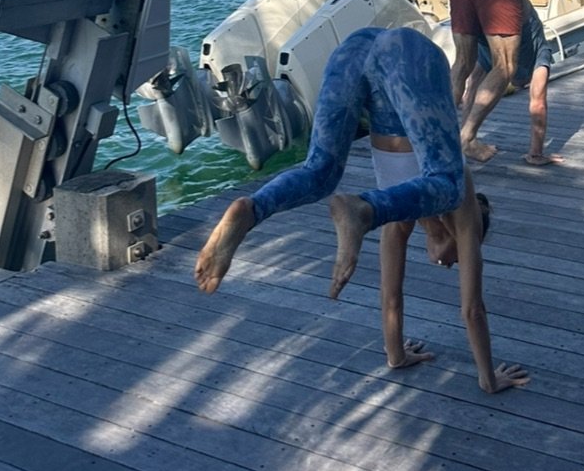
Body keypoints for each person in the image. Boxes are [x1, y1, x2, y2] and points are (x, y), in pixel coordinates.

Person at [194, 25, 528, 394]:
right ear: (472, 234)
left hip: (355, 48)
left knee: (320, 172)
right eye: (457, 261)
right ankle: (356, 210)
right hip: (408, 52)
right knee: (446, 182)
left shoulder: (400, 216)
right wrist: (488, 379)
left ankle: (253, 209)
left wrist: (396, 355)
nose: (448, 264)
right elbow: (472, 310)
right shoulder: (462, 207)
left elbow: (390, 297)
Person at [448, 0, 562, 167]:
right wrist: (536, 154)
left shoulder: (486, 56)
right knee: (505, 68)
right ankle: (466, 139)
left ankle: (446, 139)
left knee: (462, 64)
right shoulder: (540, 54)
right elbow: (538, 103)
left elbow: (472, 88)